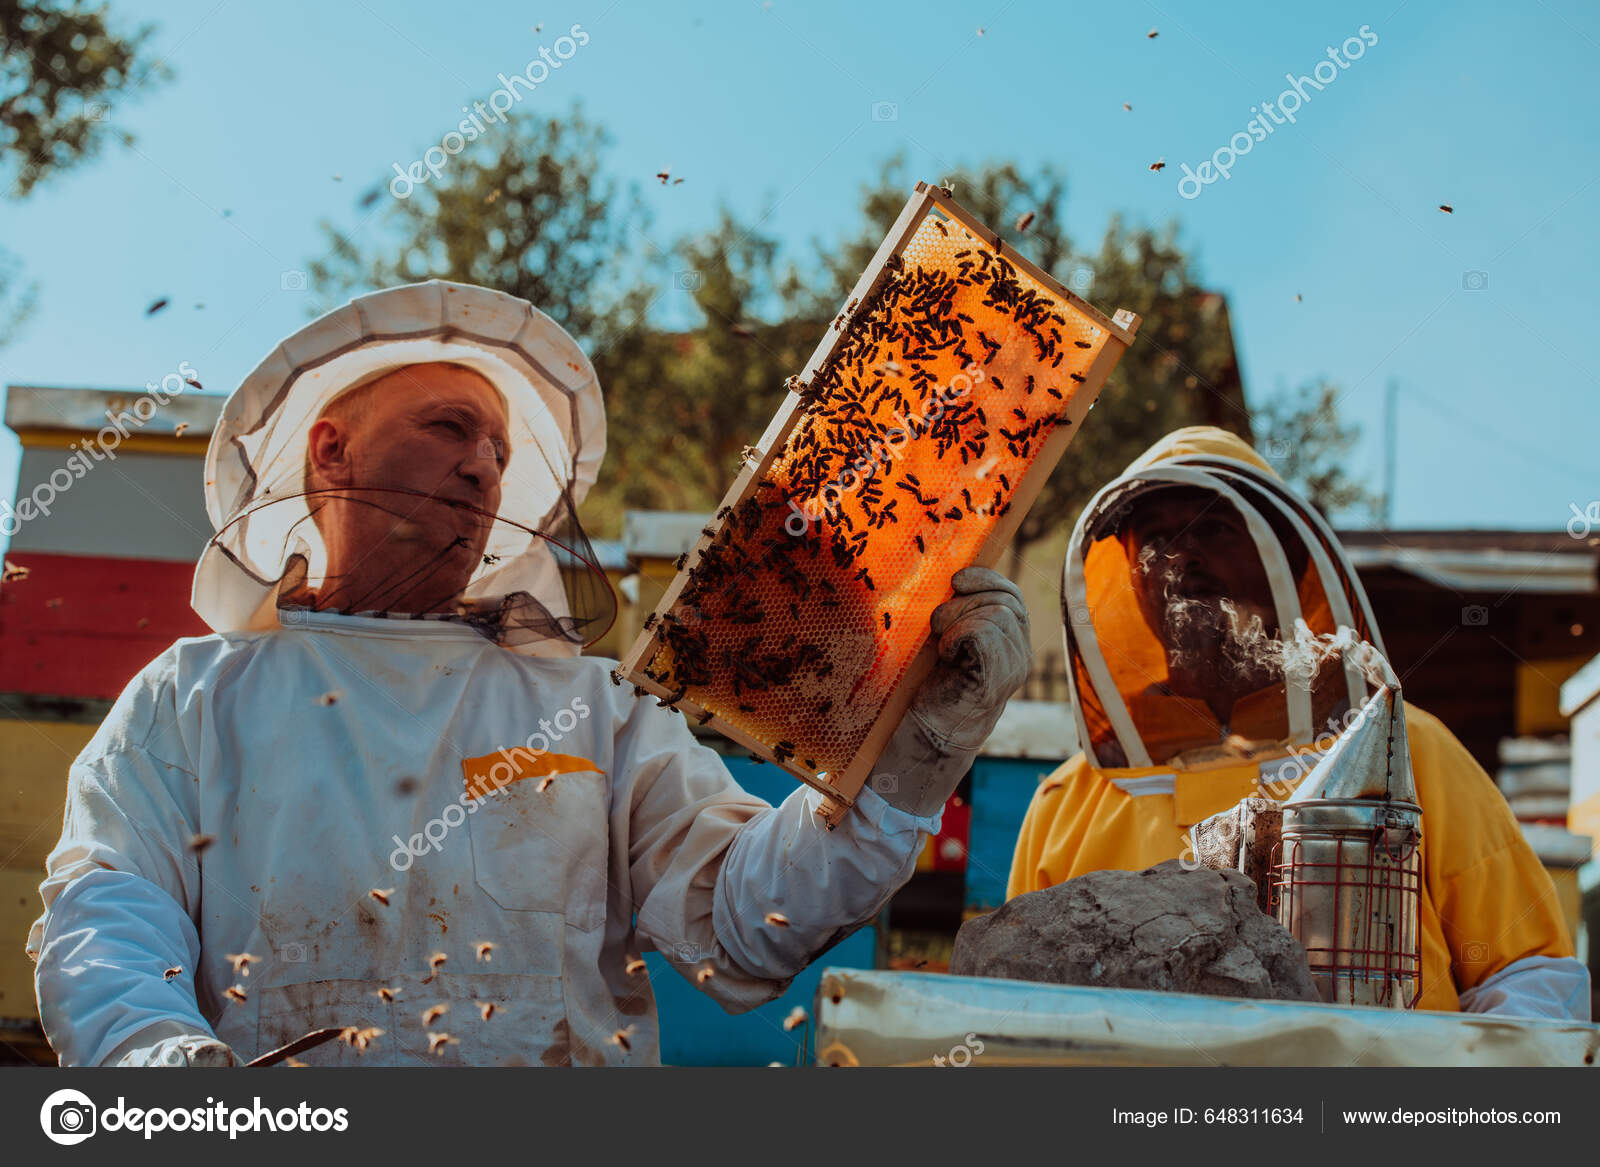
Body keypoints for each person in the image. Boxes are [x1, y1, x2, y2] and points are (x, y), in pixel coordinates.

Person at [28, 280, 1031, 1066]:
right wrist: (154, 1055)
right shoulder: (193, 698)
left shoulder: (591, 710)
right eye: (448, 428)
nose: (483, 466)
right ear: (329, 451)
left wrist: (912, 758)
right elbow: (108, 913)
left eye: (501, 450)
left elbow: (746, 927)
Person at [1008, 426, 1589, 1019]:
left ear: (1287, 557)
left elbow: (1531, 978)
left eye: (1215, 527)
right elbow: (1013, 1009)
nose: (1181, 555)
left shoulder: (1406, 750)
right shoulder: (1067, 802)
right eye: (1154, 538)